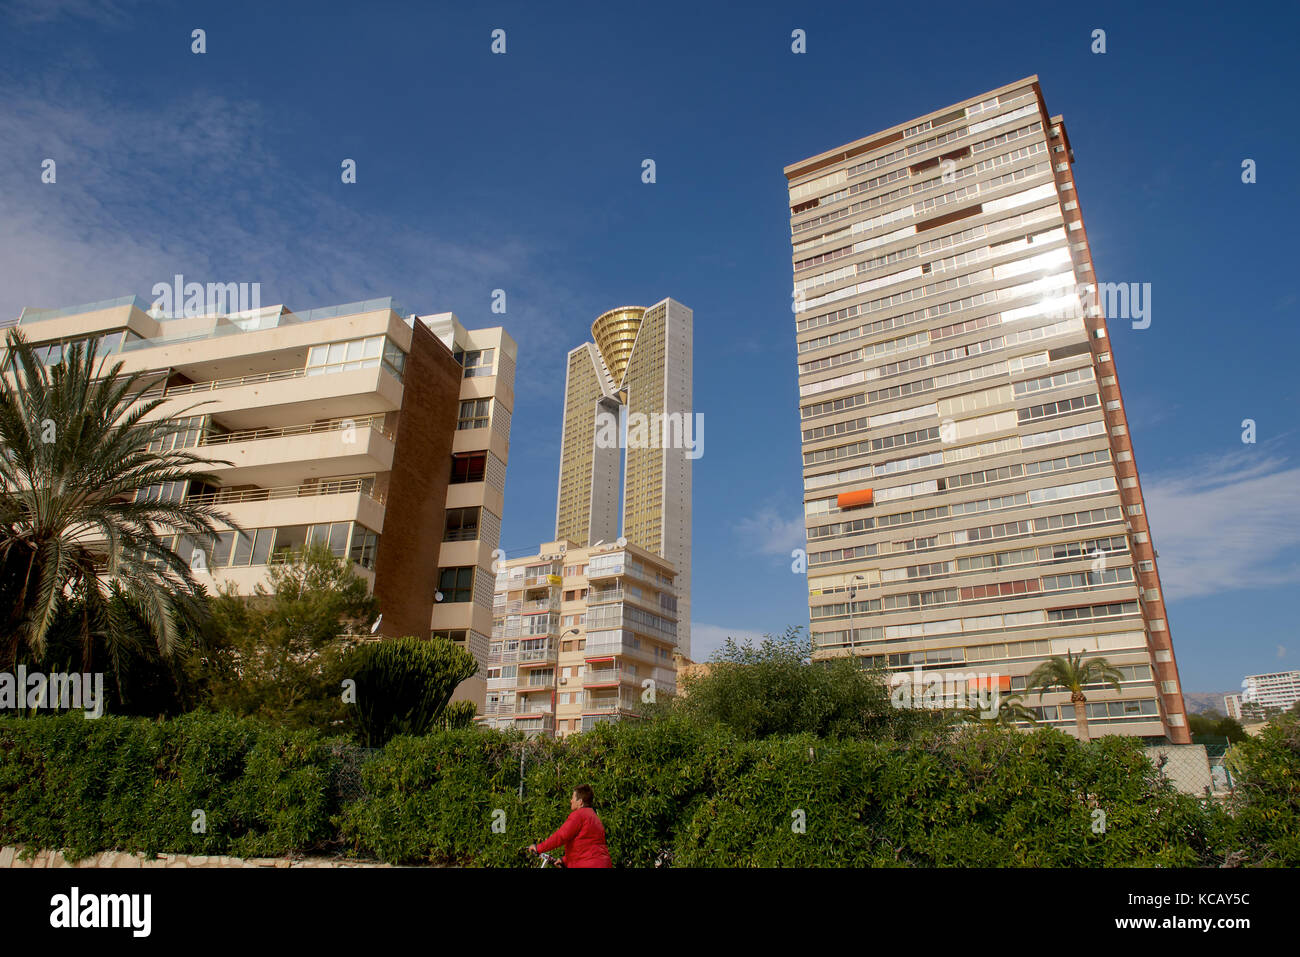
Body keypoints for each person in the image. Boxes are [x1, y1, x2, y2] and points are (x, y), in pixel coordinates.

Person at [528, 784, 612, 868]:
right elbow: (587, 847)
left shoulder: (579, 815)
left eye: (573, 798)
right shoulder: (594, 817)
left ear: (580, 801)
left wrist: (539, 848)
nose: (571, 801)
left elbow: (561, 836)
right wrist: (565, 860)